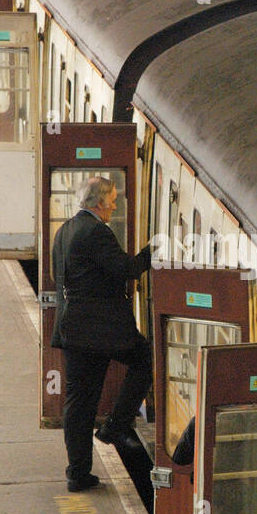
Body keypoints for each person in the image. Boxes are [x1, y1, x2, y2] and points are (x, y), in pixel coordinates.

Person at [51, 176, 153, 492]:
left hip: (72, 329)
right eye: (111, 199)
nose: (114, 205)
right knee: (147, 357)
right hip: (99, 330)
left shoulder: (65, 230)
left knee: (79, 403)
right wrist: (154, 250)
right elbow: (128, 269)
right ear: (98, 202)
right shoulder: (97, 232)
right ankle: (116, 426)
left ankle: (77, 473)